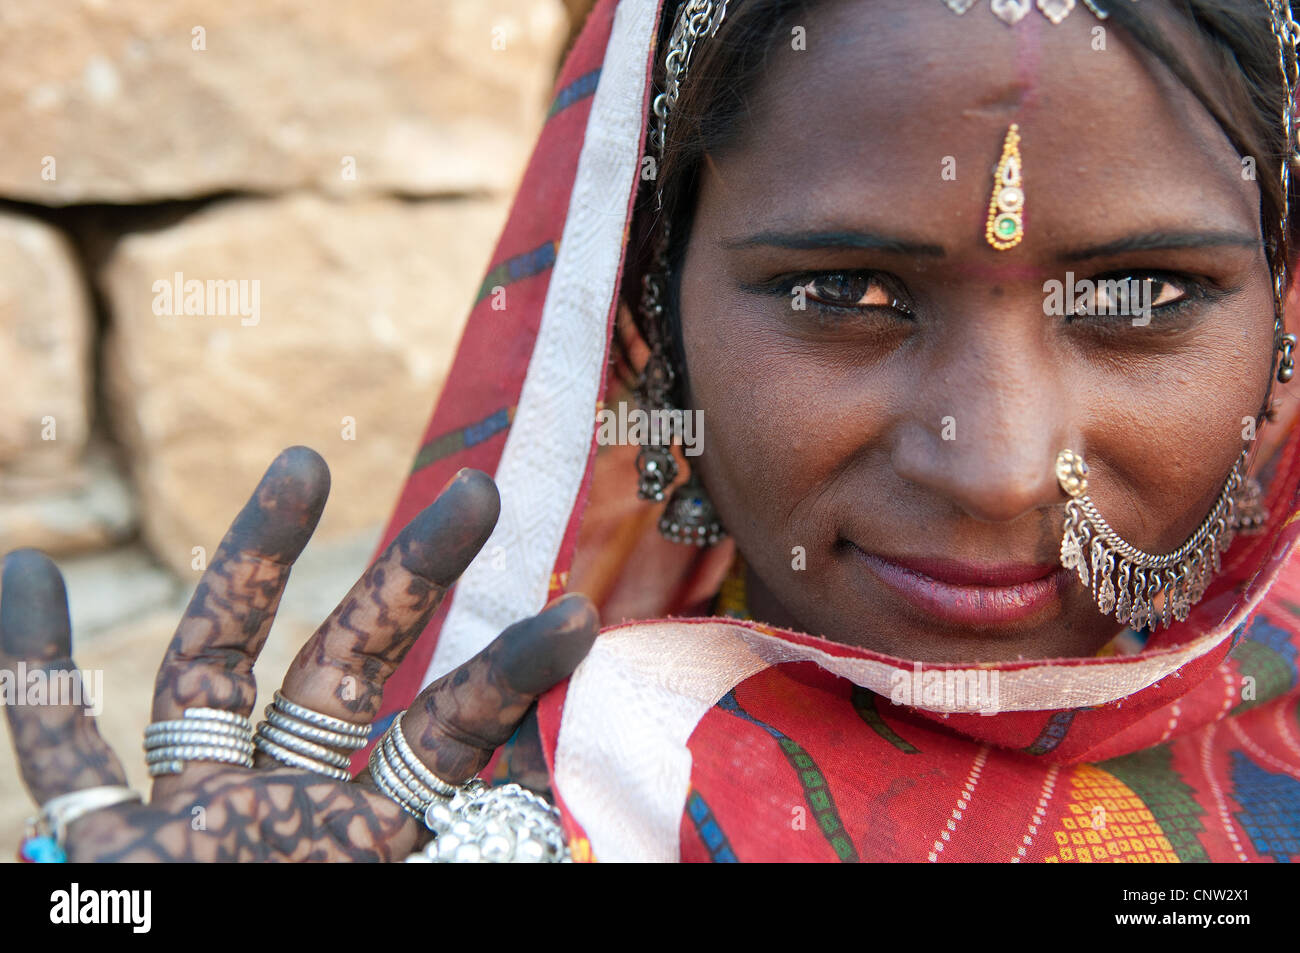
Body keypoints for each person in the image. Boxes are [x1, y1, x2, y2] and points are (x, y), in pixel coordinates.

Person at [6, 0, 1300, 863]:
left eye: (1140, 297)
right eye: (842, 292)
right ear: (646, 315)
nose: (998, 465)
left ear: (1284, 325)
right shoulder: (464, 824)